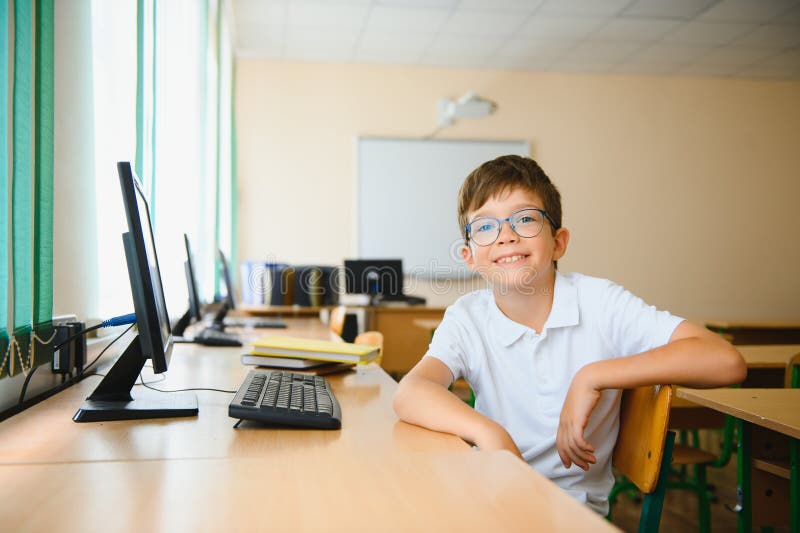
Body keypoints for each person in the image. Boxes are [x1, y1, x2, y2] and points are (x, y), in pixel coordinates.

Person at [392, 155, 746, 514]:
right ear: (469, 256)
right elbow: (411, 392)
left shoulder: (600, 301)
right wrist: (491, 435)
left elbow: (724, 361)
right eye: (485, 226)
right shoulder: (467, 316)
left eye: (525, 218)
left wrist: (593, 376)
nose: (506, 236)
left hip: (570, 513)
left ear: (559, 242)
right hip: (492, 496)